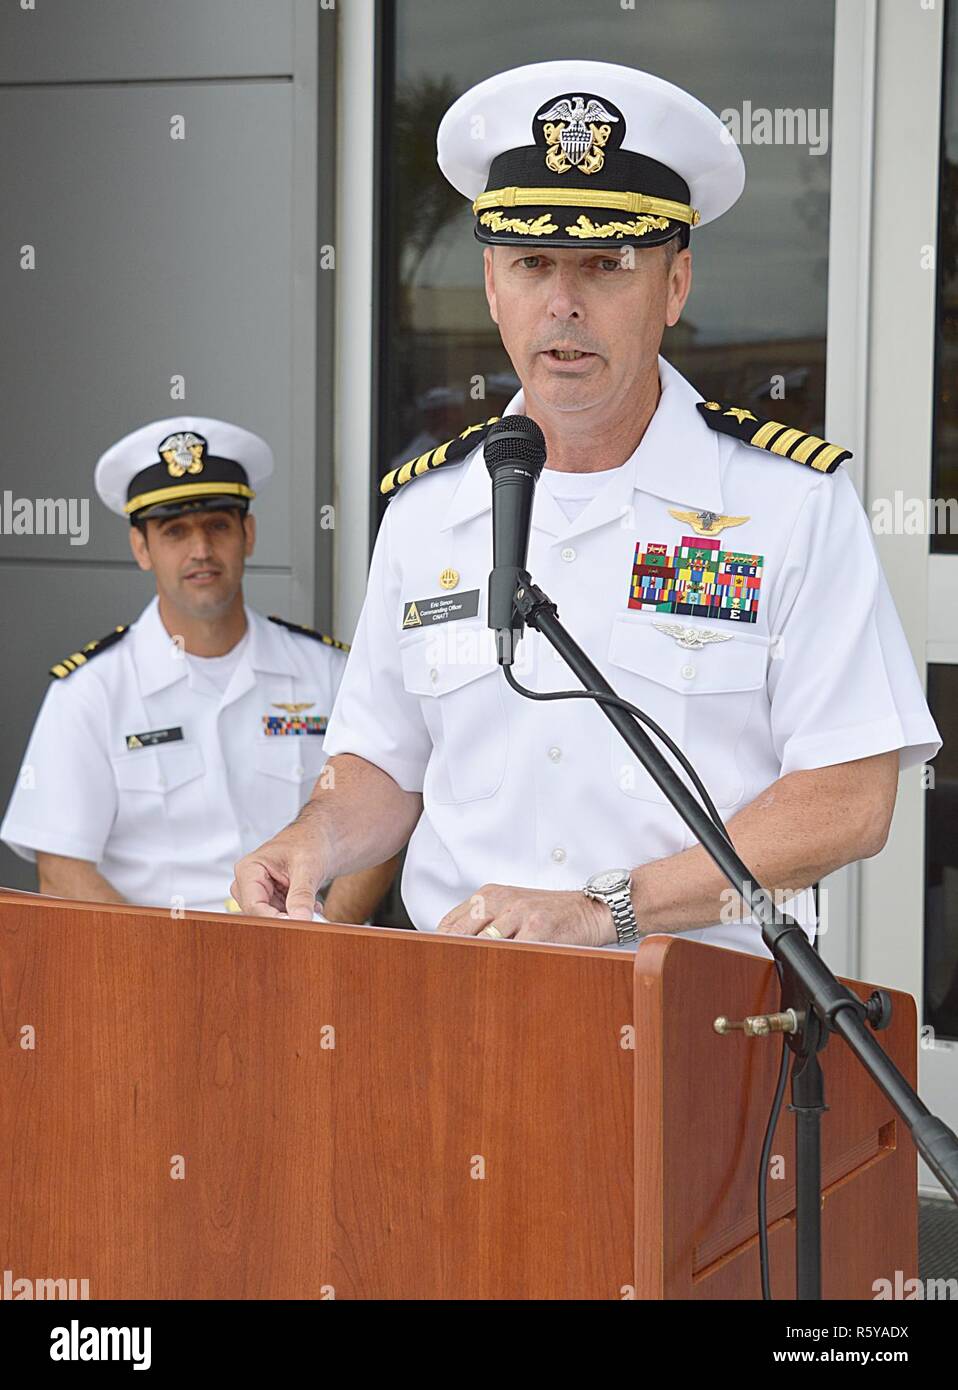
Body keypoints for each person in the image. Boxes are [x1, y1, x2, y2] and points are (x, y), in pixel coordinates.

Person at [232, 60, 941, 955]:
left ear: (675, 286)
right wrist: (313, 839)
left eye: (606, 265)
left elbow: (848, 798)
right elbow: (382, 761)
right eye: (533, 264)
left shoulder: (787, 505)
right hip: (459, 1010)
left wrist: (608, 907)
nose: (562, 304)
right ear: (495, 287)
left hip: (700, 1024)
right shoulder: (428, 510)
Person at [1, 415, 398, 920]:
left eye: (217, 526)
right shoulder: (92, 691)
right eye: (174, 532)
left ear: (248, 534)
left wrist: (326, 942)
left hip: (306, 962)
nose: (201, 551)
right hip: (155, 973)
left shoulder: (327, 673)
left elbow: (382, 810)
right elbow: (62, 869)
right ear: (141, 548)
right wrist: (166, 966)